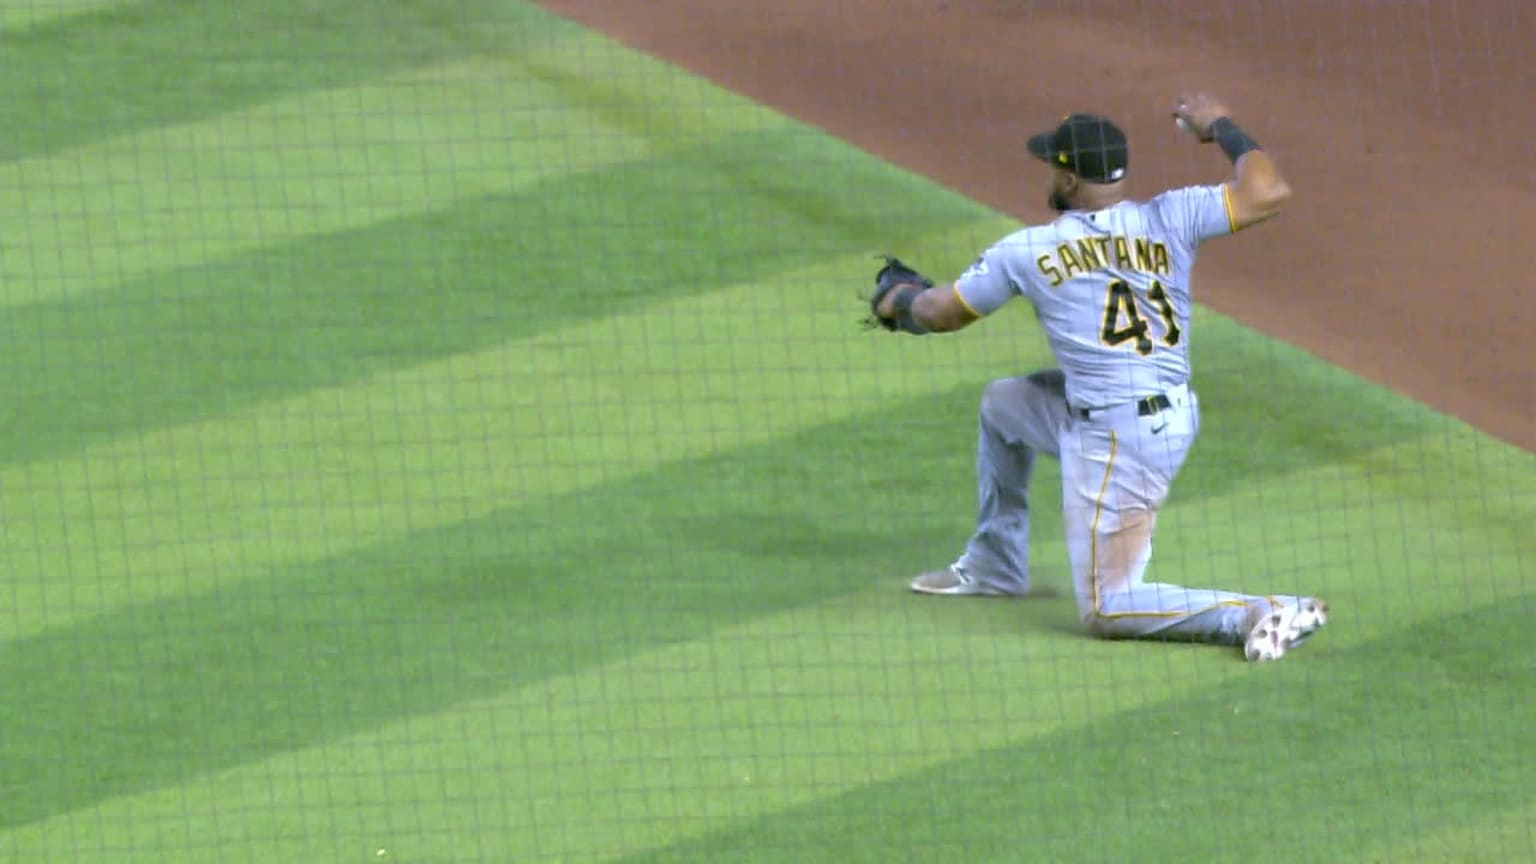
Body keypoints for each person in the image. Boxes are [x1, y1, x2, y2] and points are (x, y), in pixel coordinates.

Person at [868, 93, 1328, 662]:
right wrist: (1221, 129)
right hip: (1165, 410)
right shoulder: (1172, 214)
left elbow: (942, 314)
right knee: (1004, 404)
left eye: (1054, 166)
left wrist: (898, 301)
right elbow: (1268, 190)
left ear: (1069, 178)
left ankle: (1255, 611)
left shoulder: (1030, 250)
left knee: (1108, 608)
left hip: (1120, 440)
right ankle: (995, 564)